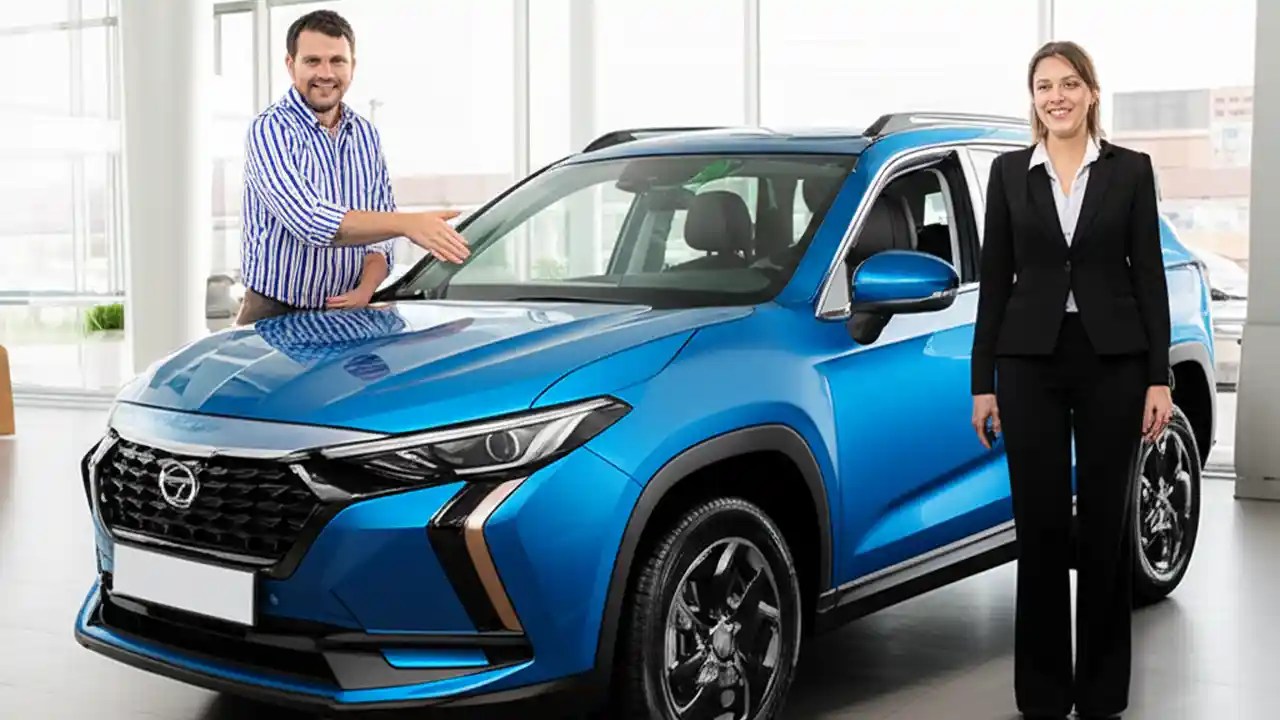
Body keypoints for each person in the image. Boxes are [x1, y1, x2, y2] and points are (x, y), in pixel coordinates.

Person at [970, 41, 1174, 720]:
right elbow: (993, 282)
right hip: (1028, 364)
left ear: (1090, 92)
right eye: (1042, 86)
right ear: (1033, 99)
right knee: (1041, 528)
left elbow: (1149, 276)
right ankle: (1045, 693)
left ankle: (1104, 692)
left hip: (1114, 362)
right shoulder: (1007, 175)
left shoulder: (1130, 172)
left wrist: (1159, 378)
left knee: (1105, 532)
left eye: (1067, 84)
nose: (1054, 96)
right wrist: (983, 383)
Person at [236, 10, 470, 325]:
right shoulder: (270, 130)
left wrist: (366, 288)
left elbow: (380, 235)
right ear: (291, 66)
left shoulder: (365, 135)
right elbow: (309, 220)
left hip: (348, 309)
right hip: (273, 313)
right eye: (312, 61)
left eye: (337, 61)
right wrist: (408, 224)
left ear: (352, 66)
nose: (326, 73)